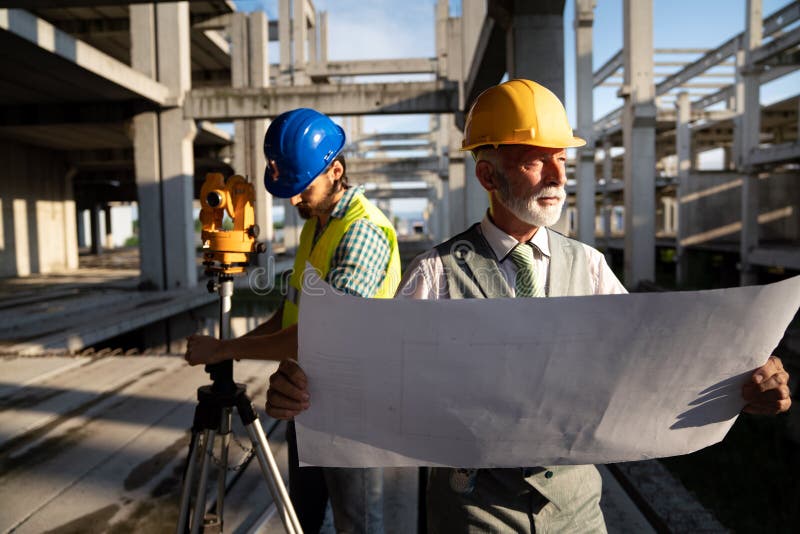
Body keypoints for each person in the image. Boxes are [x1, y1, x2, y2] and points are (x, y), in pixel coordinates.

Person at [264, 81, 792, 532]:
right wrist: (307, 391)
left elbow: (652, 368)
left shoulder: (588, 268)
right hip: (471, 521)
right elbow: (373, 383)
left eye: (562, 159)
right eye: (537, 161)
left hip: (576, 516)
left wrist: (740, 382)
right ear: (488, 177)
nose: (558, 178)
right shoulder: (434, 275)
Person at [186, 108, 402, 533]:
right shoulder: (315, 226)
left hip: (353, 414)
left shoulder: (362, 232)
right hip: (305, 401)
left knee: (356, 523)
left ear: (336, 170)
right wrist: (234, 348)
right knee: (302, 516)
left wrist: (227, 348)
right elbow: (291, 313)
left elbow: (323, 335)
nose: (294, 199)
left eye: (303, 187)